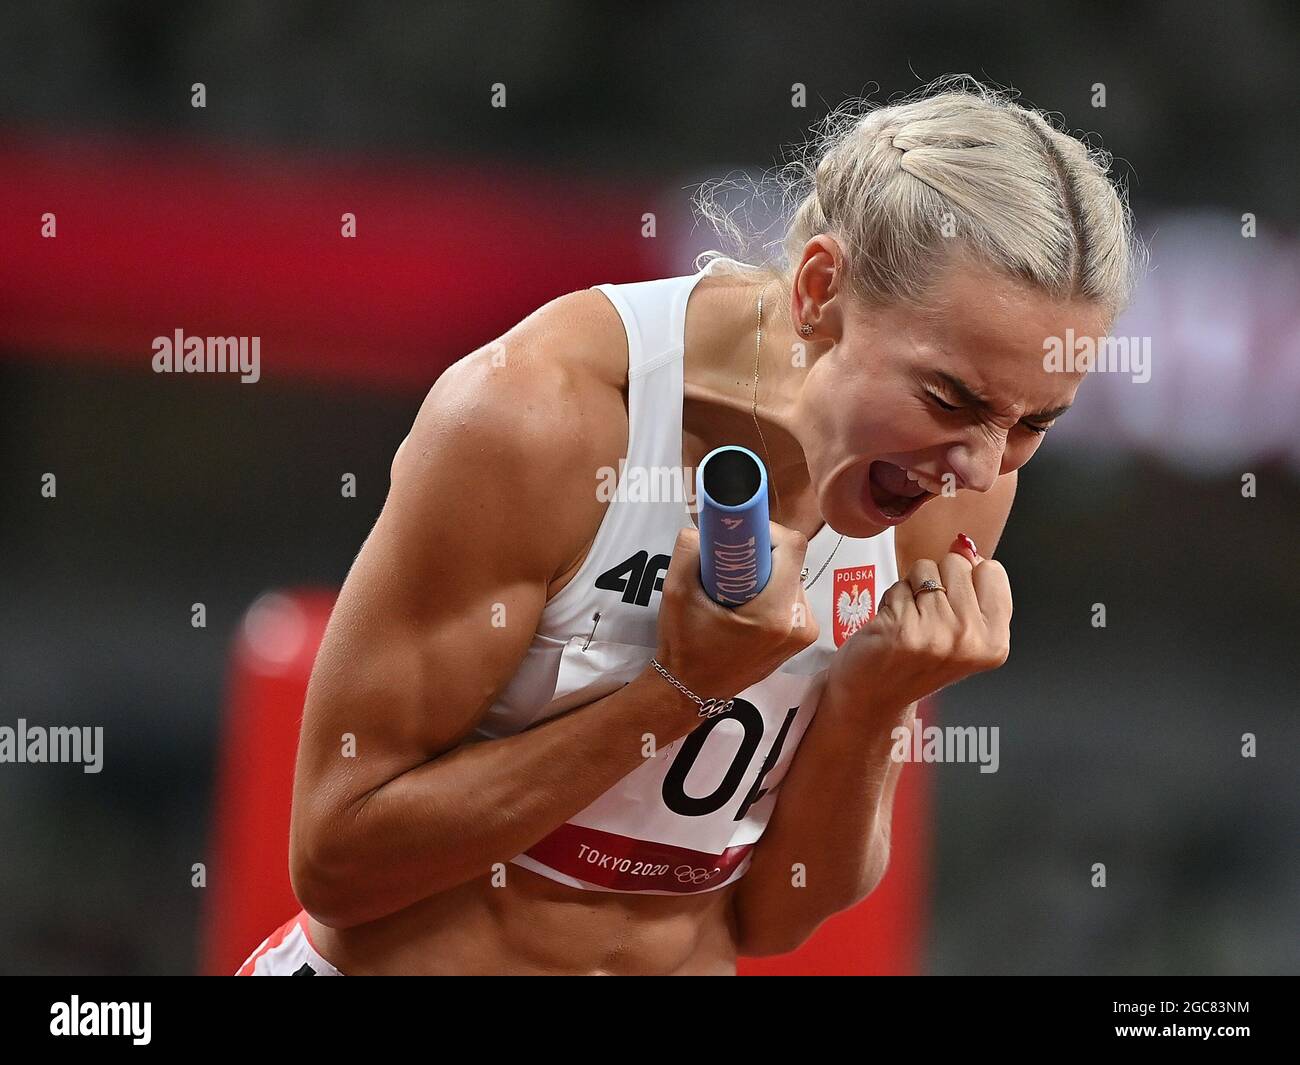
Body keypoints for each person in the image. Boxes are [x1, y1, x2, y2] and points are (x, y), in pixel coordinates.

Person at [237, 78, 1140, 975]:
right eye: (950, 397)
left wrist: (873, 704)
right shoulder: (537, 415)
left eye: (1035, 424)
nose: (981, 466)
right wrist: (678, 691)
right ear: (821, 289)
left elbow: (776, 914)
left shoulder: (952, 485)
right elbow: (339, 862)